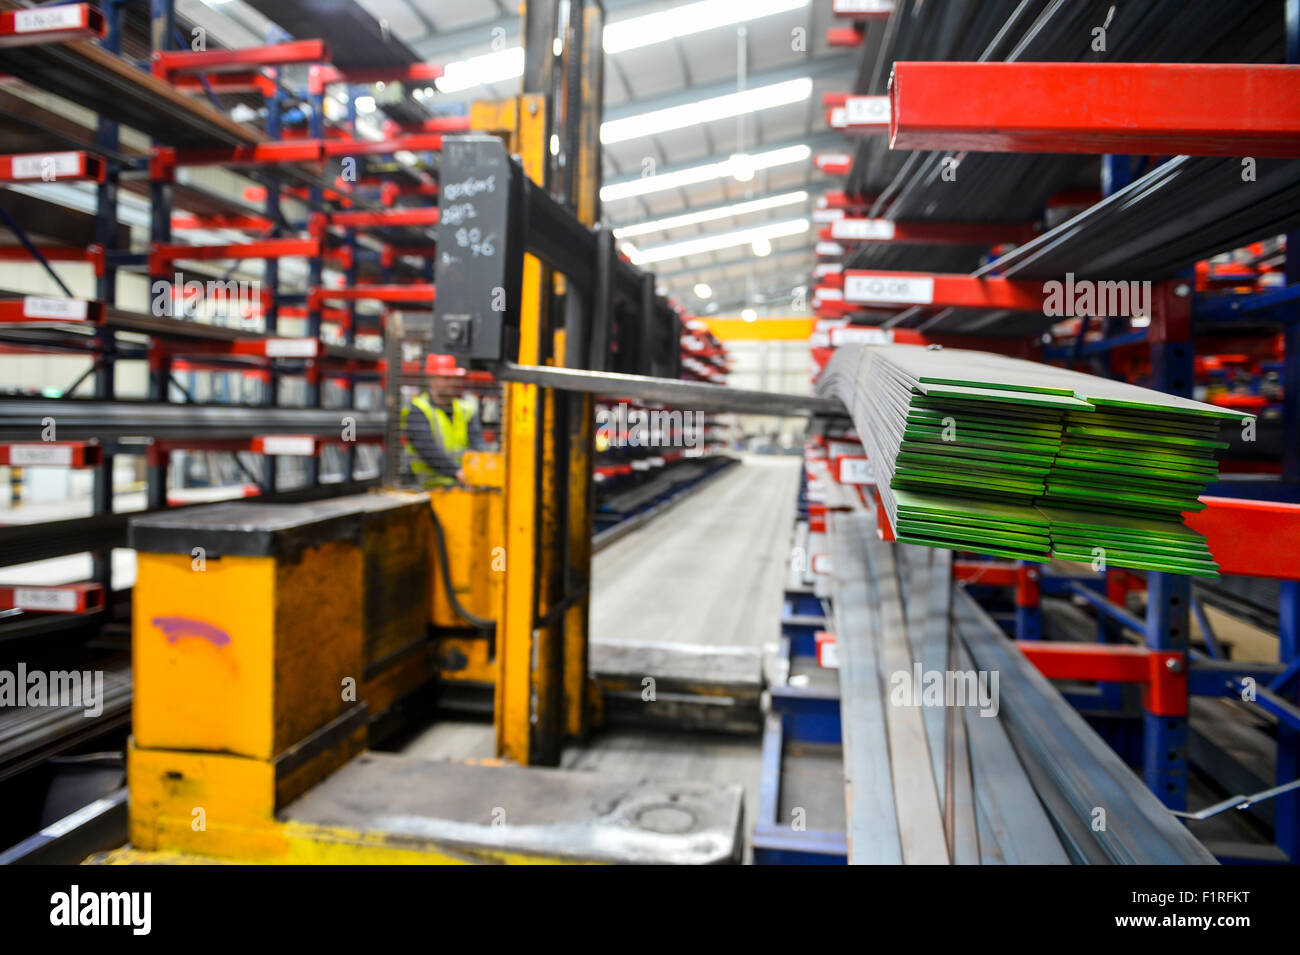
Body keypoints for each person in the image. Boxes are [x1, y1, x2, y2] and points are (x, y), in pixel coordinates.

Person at [401, 354, 484, 487]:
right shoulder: (419, 410)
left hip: (461, 487)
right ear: (431, 379)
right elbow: (426, 448)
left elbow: (478, 445)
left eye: (454, 378)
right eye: (446, 378)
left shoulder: (466, 409)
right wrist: (457, 472)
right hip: (426, 487)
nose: (452, 383)